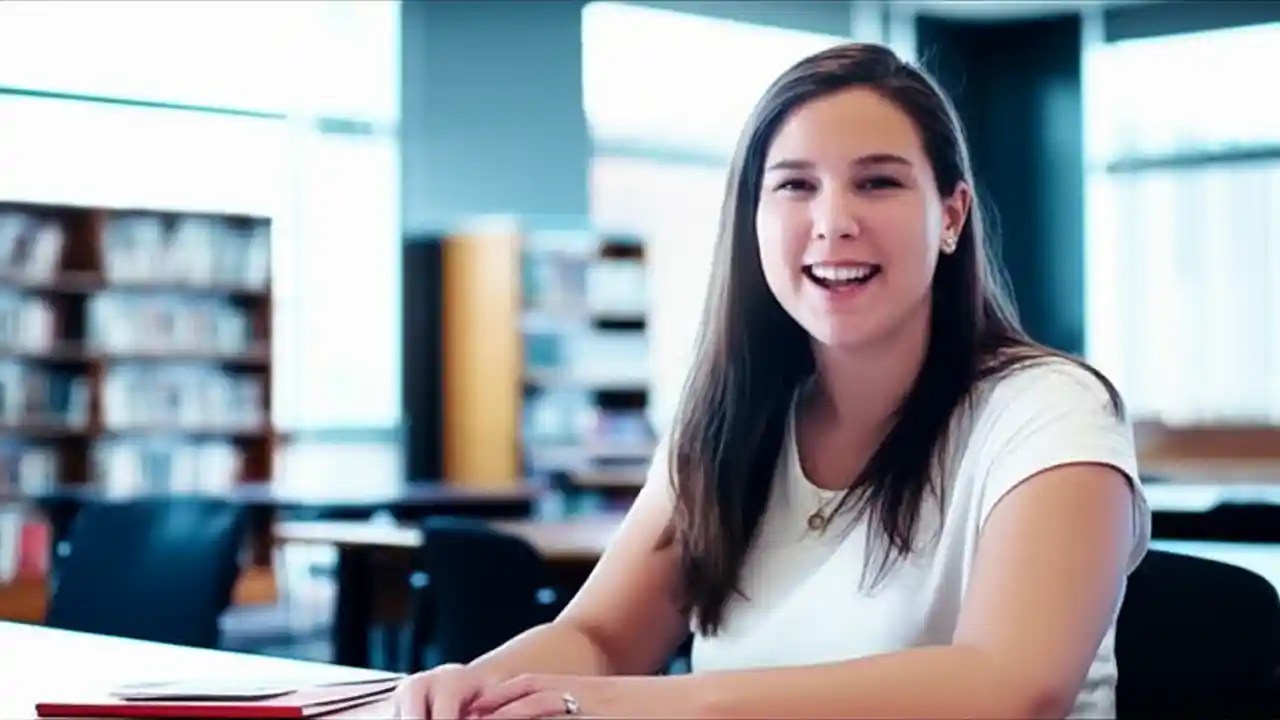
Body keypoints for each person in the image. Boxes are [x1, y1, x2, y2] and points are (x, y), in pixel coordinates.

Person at [394, 41, 1151, 720]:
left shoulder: (1050, 412)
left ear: (951, 216)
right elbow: (598, 638)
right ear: (753, 219)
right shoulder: (728, 422)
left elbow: (1008, 686)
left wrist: (666, 704)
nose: (833, 221)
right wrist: (477, 686)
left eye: (878, 183)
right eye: (794, 186)